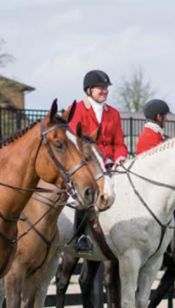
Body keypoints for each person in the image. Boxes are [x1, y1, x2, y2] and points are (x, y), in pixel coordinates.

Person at [68, 69, 128, 254]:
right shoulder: (77, 109)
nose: (105, 91)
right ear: (89, 90)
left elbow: (119, 143)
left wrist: (120, 156)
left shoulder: (114, 114)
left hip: (110, 162)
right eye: (100, 88)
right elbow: (73, 140)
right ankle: (80, 237)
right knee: (87, 192)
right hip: (88, 162)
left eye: (106, 88)